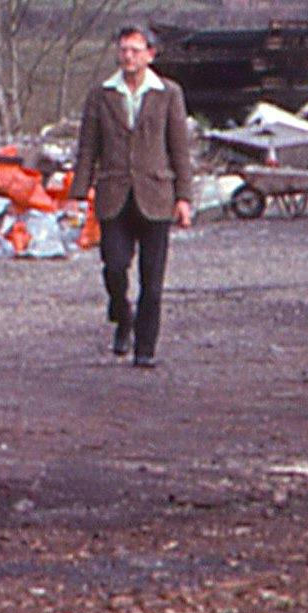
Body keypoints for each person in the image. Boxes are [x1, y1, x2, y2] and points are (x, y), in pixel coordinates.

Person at [72, 22, 195, 368]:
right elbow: (87, 148)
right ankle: (122, 317)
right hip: (113, 194)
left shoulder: (168, 93)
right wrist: (78, 193)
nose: (128, 56)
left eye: (135, 50)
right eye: (123, 49)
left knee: (152, 282)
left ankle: (145, 349)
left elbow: (179, 149)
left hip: (156, 195)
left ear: (150, 55)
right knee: (114, 266)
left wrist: (184, 197)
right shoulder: (101, 94)